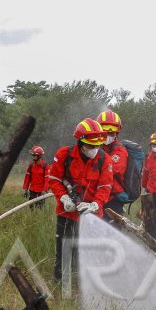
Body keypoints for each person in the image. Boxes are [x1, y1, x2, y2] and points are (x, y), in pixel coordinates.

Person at [46, 118, 113, 286]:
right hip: (66, 211)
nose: (95, 149)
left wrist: (95, 204)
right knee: (63, 248)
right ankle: (60, 282)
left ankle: (83, 283)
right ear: (80, 142)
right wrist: (63, 197)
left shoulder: (105, 160)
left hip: (91, 214)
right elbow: (54, 179)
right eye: (91, 146)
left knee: (86, 250)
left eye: (98, 145)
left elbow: (105, 186)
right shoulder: (64, 154)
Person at [97, 110, 131, 222]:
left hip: (113, 197)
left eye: (111, 133)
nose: (107, 135)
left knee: (112, 232)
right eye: (105, 132)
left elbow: (109, 170)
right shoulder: (98, 147)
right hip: (99, 195)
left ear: (117, 133)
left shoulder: (120, 151)